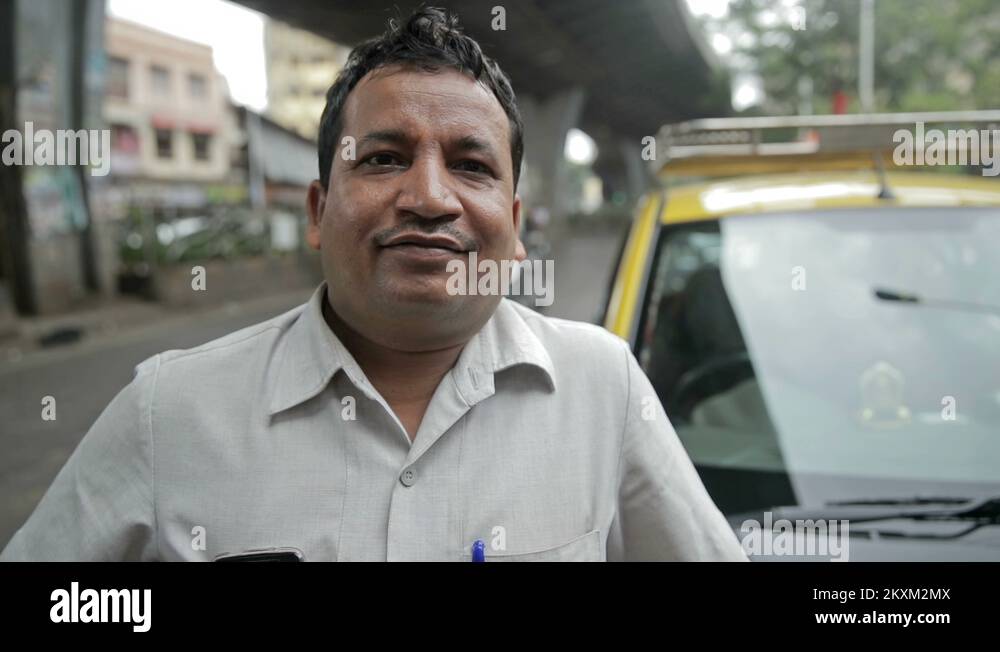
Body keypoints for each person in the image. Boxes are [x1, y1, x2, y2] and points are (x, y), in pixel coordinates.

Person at [1, 7, 746, 562]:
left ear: (514, 227)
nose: (429, 197)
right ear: (320, 212)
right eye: (384, 158)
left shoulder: (601, 387)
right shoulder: (168, 414)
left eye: (472, 165)